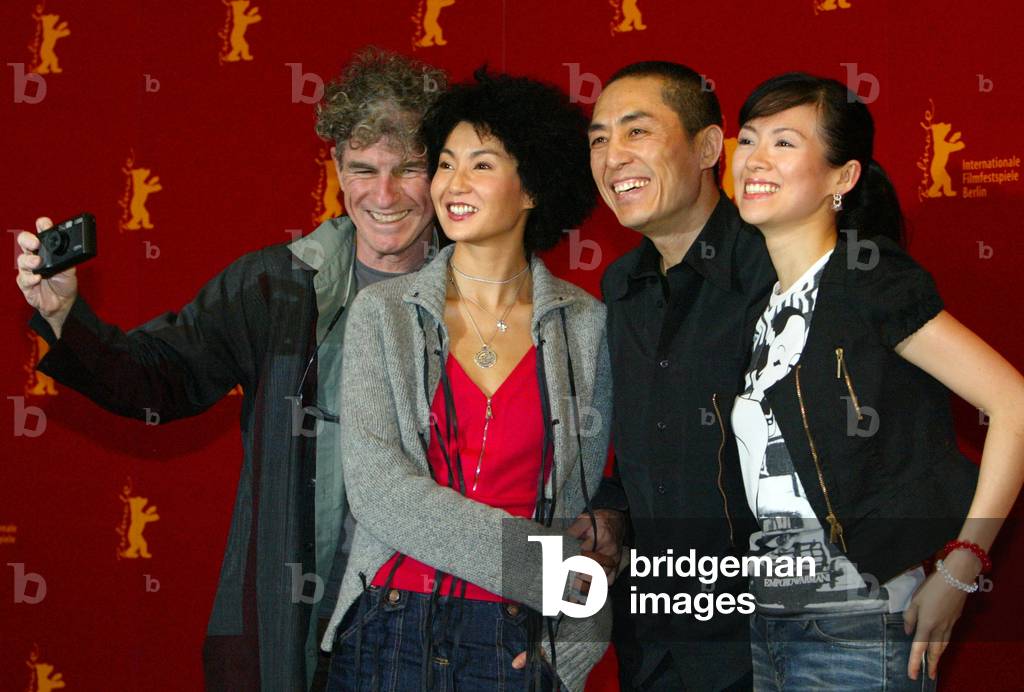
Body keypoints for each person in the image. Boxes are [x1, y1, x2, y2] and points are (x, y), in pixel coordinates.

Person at [14, 47, 447, 691]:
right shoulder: (274, 286)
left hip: (431, 631)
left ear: (441, 172)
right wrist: (64, 315)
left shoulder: (488, 295)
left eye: (407, 169)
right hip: (283, 630)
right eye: (363, 169)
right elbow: (156, 379)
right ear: (335, 169)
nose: (383, 195)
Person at [729, 72, 1024, 690]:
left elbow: (1013, 404)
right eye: (748, 138)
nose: (755, 159)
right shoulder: (764, 302)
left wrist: (961, 568)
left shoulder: (869, 277)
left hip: (860, 623)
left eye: (785, 143)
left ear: (843, 177)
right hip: (771, 621)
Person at [321, 70, 612, 692]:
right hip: (386, 629)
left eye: (480, 165)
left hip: (515, 641)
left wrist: (571, 654)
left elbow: (579, 510)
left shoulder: (586, 327)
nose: (453, 184)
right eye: (446, 164)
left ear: (531, 185)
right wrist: (542, 569)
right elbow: (377, 490)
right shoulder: (385, 314)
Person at [584, 61, 776, 690]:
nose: (614, 157)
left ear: (708, 146)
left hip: (774, 642)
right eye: (599, 138)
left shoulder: (777, 267)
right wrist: (609, 511)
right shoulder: (621, 288)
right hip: (656, 642)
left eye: (636, 132)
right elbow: (641, 447)